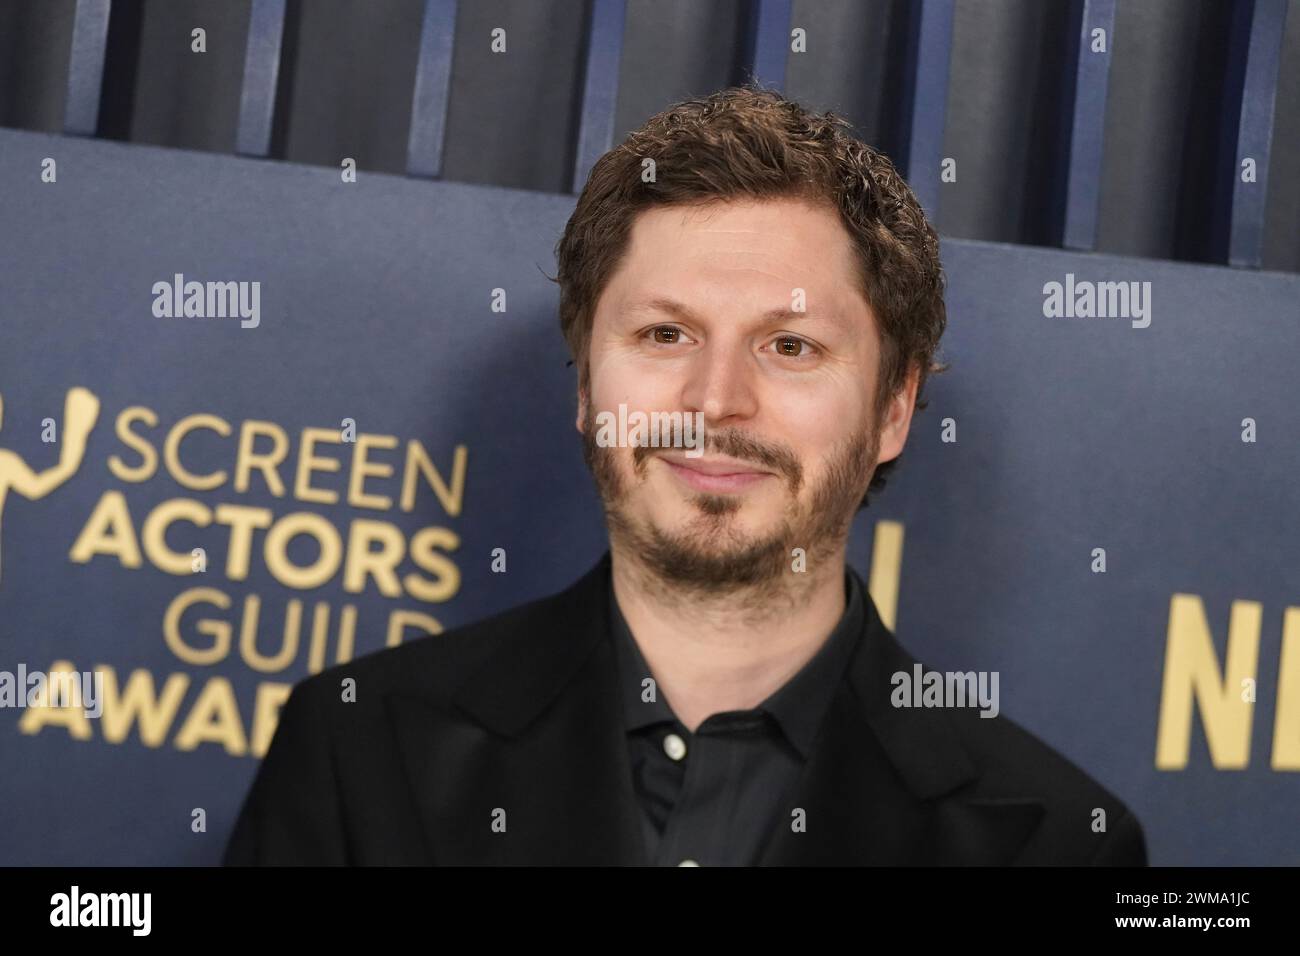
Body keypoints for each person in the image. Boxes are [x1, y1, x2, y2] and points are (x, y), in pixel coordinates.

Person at [224, 85, 1146, 866]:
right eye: (665, 334)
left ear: (893, 411)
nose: (715, 401)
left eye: (790, 346)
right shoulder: (359, 752)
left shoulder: (1056, 846)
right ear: (587, 380)